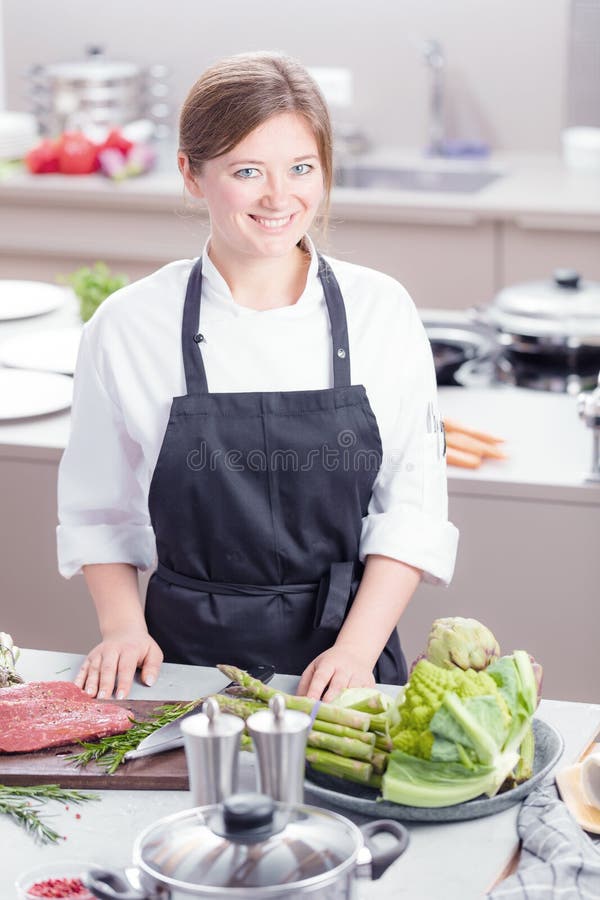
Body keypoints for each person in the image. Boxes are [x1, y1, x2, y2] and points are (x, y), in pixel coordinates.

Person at [57, 51, 458, 703]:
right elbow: (99, 509)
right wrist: (123, 628)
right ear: (191, 174)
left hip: (343, 662)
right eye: (248, 171)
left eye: (302, 168)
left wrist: (355, 652)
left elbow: (411, 510)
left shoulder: (380, 311)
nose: (280, 197)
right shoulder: (129, 325)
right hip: (181, 666)